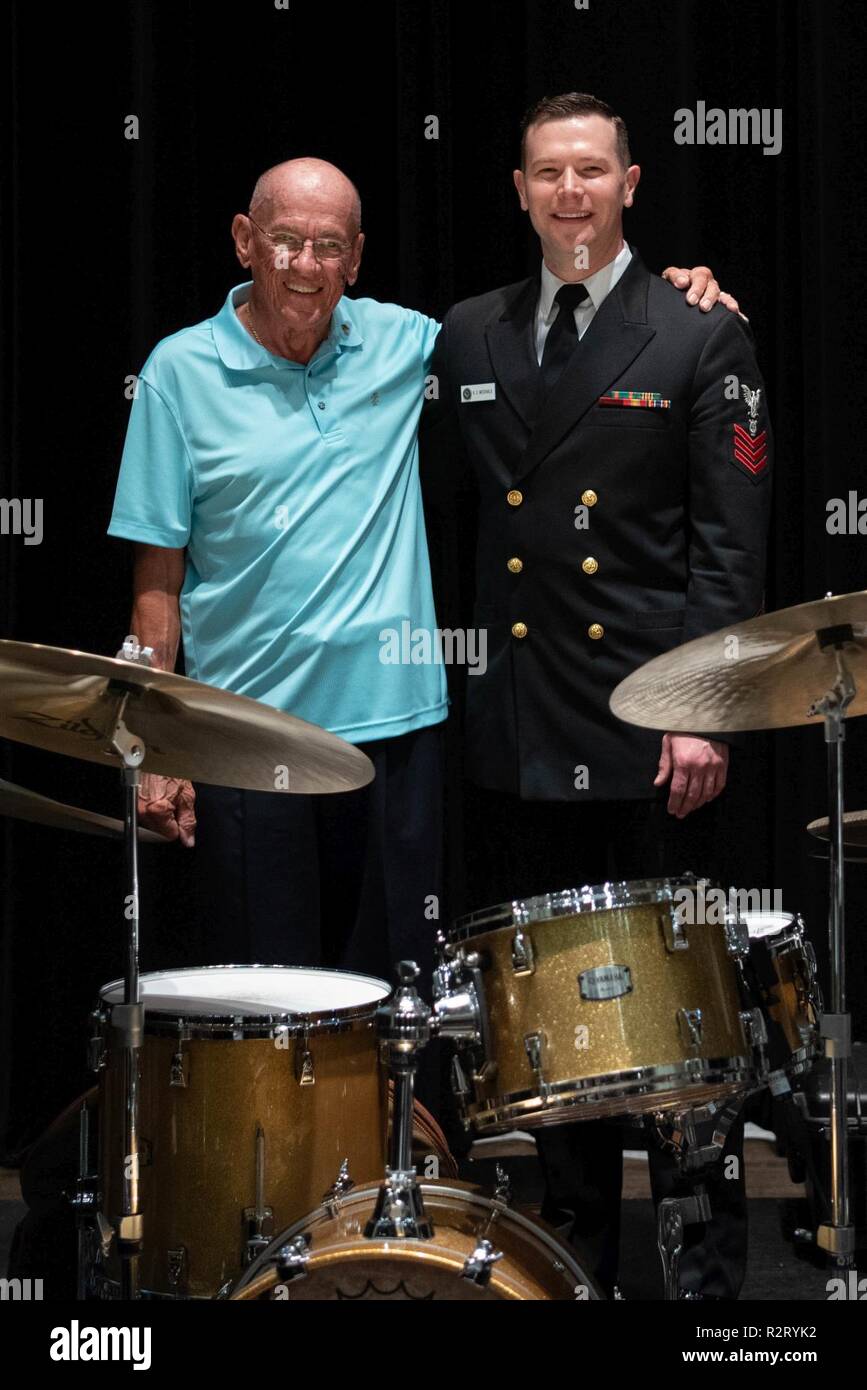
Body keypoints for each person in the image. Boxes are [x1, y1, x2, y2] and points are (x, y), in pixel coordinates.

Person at [107, 154, 731, 998]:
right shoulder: (177, 372)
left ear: (355, 259)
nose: (304, 266)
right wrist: (158, 744)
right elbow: (157, 578)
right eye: (284, 241)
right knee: (267, 1002)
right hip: (244, 743)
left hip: (395, 736)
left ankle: (401, 1139)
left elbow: (555, 336)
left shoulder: (414, 345)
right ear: (244, 241)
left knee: (399, 1001)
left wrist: (674, 296)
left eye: (327, 246)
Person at [421, 92, 772, 1298]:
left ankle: (705, 1285)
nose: (569, 192)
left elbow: (728, 549)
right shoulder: (469, 332)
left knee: (678, 1040)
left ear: (631, 184)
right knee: (553, 1037)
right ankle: (573, 1266)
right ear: (517, 192)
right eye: (546, 173)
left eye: (590, 171)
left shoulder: (698, 331)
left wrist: (700, 707)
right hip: (518, 729)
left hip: (648, 731)